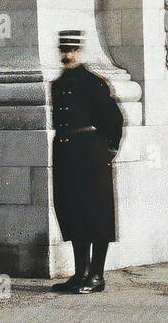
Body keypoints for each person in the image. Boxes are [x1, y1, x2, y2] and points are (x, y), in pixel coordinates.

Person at [50, 28, 124, 293]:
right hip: (66, 154)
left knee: (96, 214)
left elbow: (114, 120)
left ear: (79, 51)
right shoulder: (57, 85)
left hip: (90, 157)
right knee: (72, 212)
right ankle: (80, 272)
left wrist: (107, 150)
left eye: (71, 50)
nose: (67, 55)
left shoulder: (93, 83)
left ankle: (96, 275)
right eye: (63, 50)